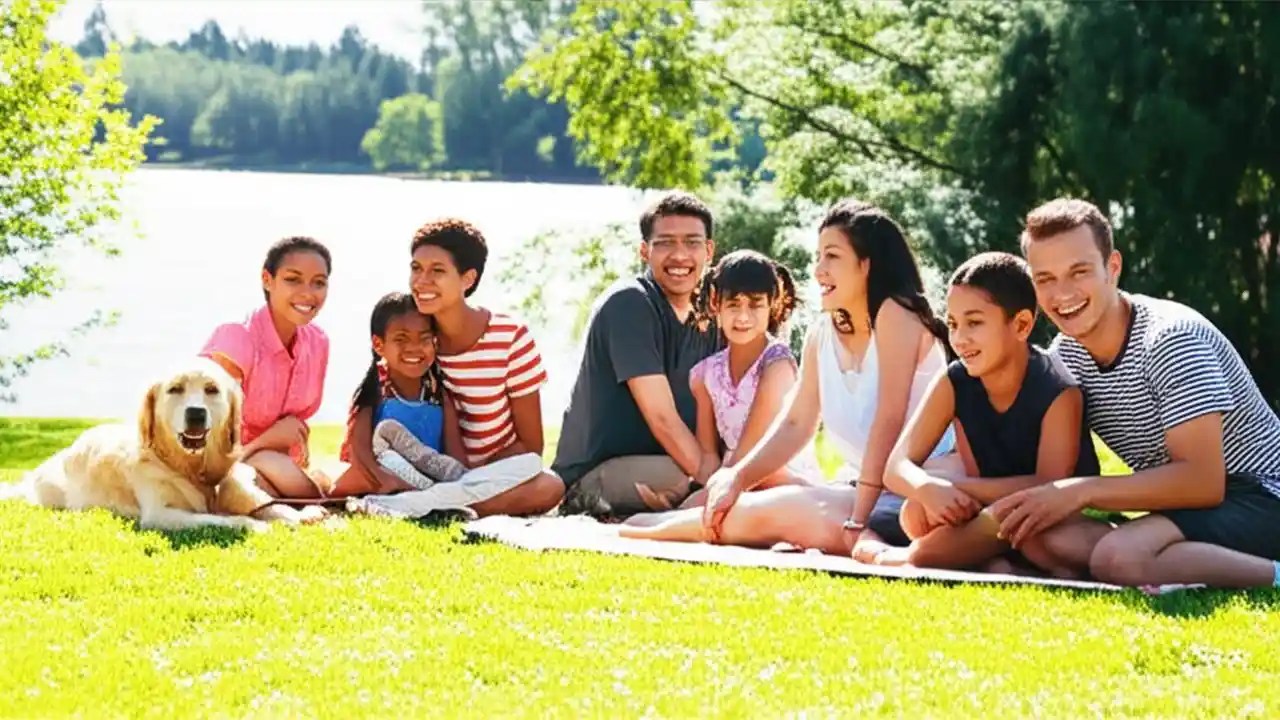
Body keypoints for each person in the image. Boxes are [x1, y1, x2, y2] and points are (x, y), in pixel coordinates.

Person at [620, 199, 954, 556]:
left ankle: (644, 531)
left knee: (786, 510)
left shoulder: (896, 316)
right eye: (818, 257)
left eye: (832, 256)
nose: (818, 270)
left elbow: (889, 422)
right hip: (865, 490)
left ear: (866, 264)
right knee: (768, 503)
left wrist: (857, 519)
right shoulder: (822, 334)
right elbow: (796, 422)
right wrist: (737, 478)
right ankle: (643, 527)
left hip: (924, 489)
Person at [990, 198, 1280, 589]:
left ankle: (1271, 575)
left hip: (1258, 493)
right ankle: (1165, 561)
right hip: (1185, 509)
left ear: (1112, 268)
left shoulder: (1171, 339)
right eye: (1045, 279)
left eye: (1079, 272)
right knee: (1044, 534)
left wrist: (1080, 493)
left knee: (1118, 558)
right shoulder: (1066, 356)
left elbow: (1204, 481)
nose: (1063, 293)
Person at [856, 251, 1099, 571]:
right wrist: (928, 488)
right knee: (916, 511)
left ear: (1022, 325)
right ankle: (994, 561)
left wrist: (958, 489)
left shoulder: (1058, 389)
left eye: (974, 323)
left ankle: (910, 557)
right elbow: (897, 466)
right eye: (953, 324)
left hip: (1050, 515)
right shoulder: (955, 381)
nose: (959, 338)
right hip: (987, 508)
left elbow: (1047, 485)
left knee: (1010, 536)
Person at [554, 191, 723, 517]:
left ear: (709, 251)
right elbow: (662, 418)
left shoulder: (711, 314)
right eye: (665, 243)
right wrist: (714, 483)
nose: (680, 255)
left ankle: (696, 505)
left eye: (692, 243)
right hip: (594, 474)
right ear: (644, 250)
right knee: (673, 480)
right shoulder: (630, 304)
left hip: (678, 462)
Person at [643, 249, 819, 513]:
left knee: (767, 483)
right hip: (732, 477)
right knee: (710, 505)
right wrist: (694, 489)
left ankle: (681, 516)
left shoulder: (777, 366)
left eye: (755, 304)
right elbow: (709, 455)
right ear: (716, 302)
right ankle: (685, 514)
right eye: (734, 304)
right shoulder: (705, 374)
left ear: (773, 303)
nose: (743, 317)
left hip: (775, 474)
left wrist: (698, 499)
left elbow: (750, 450)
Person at [409, 218, 564, 516]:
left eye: (437, 271)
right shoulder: (411, 335)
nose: (421, 281)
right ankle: (442, 503)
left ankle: (440, 505)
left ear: (468, 279)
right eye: (416, 268)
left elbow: (531, 446)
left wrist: (472, 476)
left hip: (494, 473)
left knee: (551, 486)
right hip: (430, 467)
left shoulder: (509, 338)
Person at [200, 236, 332, 523]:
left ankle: (292, 499)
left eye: (318, 282)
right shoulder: (236, 337)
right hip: (222, 466)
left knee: (281, 469)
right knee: (267, 464)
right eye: (293, 280)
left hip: (280, 467)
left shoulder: (317, 341)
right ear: (267, 279)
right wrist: (269, 441)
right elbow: (209, 438)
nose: (307, 293)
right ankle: (303, 503)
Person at [328, 292, 467, 497]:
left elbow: (456, 458)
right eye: (401, 339)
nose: (414, 348)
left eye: (424, 339)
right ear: (379, 345)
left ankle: (421, 488)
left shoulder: (439, 396)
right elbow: (361, 453)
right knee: (338, 487)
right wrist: (385, 480)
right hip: (384, 473)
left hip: (429, 476)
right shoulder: (375, 393)